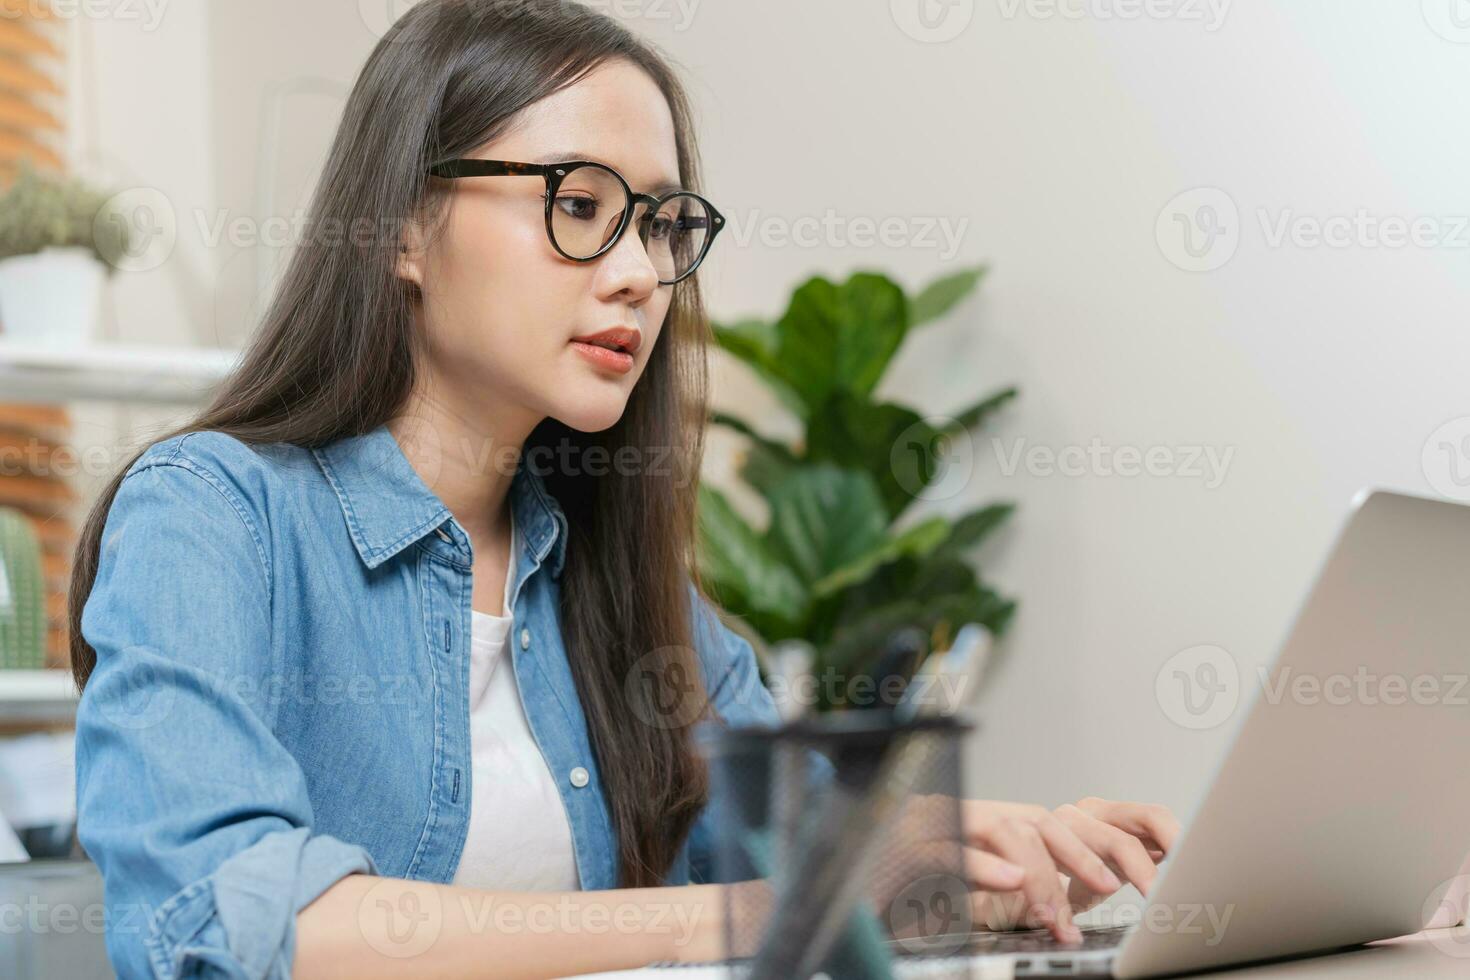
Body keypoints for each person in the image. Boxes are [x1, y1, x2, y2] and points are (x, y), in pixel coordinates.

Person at [68, 2, 1178, 977]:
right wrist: (741, 913)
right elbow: (242, 932)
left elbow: (783, 865)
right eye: (580, 203)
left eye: (659, 223)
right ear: (403, 225)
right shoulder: (210, 516)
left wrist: (960, 857)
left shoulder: (611, 566)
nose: (641, 270)